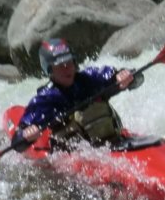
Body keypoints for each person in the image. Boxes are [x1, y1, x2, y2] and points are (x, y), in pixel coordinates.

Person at [14, 38, 143, 149]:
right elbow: (17, 141)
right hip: (76, 155)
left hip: (114, 142)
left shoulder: (91, 78)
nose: (67, 68)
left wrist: (127, 77)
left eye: (69, 62)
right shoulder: (46, 99)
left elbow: (138, 79)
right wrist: (26, 135)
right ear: (50, 70)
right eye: (60, 65)